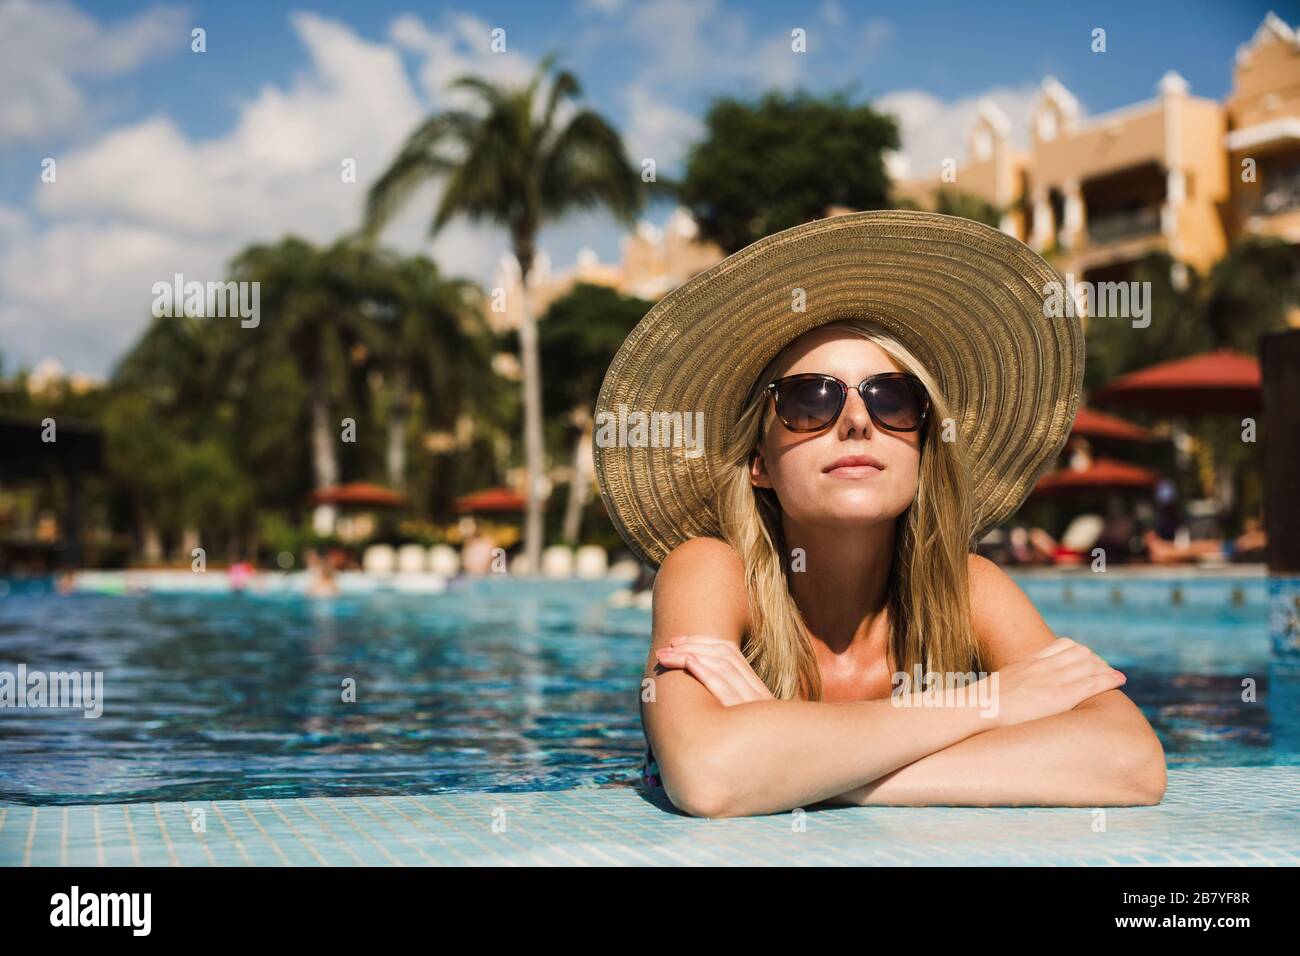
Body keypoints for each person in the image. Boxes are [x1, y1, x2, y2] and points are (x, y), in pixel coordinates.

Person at [592, 209, 1165, 817]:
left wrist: (800, 768)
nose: (857, 421)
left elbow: (1132, 762)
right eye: (810, 400)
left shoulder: (969, 588)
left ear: (922, 446)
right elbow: (710, 776)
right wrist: (988, 704)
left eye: (892, 398)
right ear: (759, 461)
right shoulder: (709, 571)